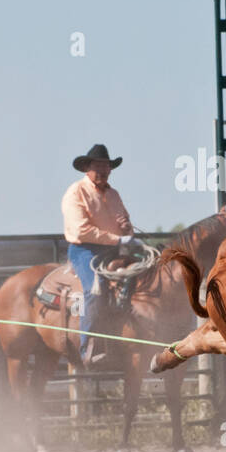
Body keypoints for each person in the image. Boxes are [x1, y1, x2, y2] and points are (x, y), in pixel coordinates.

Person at [61, 144, 141, 365]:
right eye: (98, 166)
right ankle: (88, 345)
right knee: (95, 289)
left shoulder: (114, 194)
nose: (103, 170)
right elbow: (80, 230)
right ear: (87, 168)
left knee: (145, 276)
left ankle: (129, 337)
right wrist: (118, 239)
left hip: (114, 250)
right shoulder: (76, 192)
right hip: (84, 250)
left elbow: (126, 226)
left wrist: (127, 229)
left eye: (106, 166)